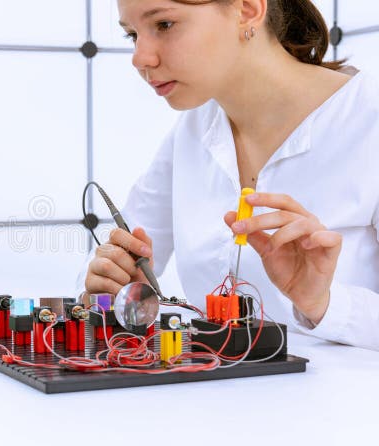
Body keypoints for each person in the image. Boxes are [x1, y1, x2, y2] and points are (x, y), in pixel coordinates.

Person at [83, 0, 379, 350]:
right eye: (132, 34)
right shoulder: (193, 129)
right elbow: (117, 266)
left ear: (249, 9)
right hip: (209, 401)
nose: (140, 58)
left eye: (163, 24)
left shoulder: (368, 118)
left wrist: (324, 304)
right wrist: (109, 288)